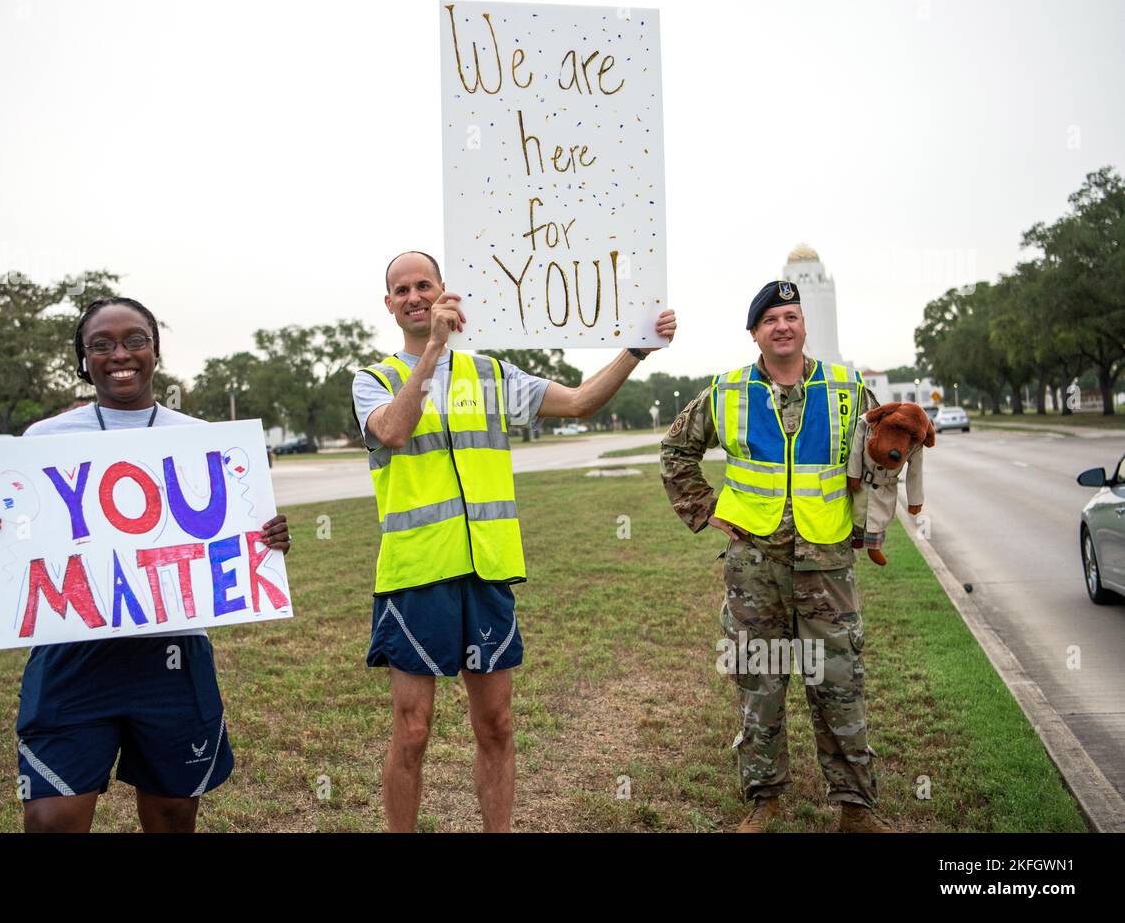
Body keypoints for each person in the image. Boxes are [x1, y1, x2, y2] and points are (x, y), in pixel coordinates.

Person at [353, 250, 677, 832]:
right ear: (388, 304)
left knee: (497, 725)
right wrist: (431, 352)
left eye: (423, 285)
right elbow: (394, 432)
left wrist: (636, 350)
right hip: (415, 574)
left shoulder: (492, 375)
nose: (414, 297)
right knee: (413, 729)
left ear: (443, 289)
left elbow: (579, 401)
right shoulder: (372, 381)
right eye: (401, 290)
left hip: (487, 572)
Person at [0, 297, 291, 833]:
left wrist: (268, 539)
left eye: (135, 340)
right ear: (83, 359)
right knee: (52, 821)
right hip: (71, 654)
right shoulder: (44, 442)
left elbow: (237, 529)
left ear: (155, 352)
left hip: (172, 656)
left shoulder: (200, 439)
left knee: (172, 815)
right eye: (102, 344)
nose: (121, 354)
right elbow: (17, 537)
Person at [659, 280, 893, 833]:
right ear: (755, 333)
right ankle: (763, 798)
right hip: (754, 565)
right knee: (759, 681)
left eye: (790, 316)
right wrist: (705, 507)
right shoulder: (727, 390)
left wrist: (871, 521)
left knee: (838, 681)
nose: (782, 326)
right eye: (770, 320)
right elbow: (676, 449)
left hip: (827, 563)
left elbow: (883, 454)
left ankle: (856, 809)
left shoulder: (846, 387)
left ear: (803, 325)